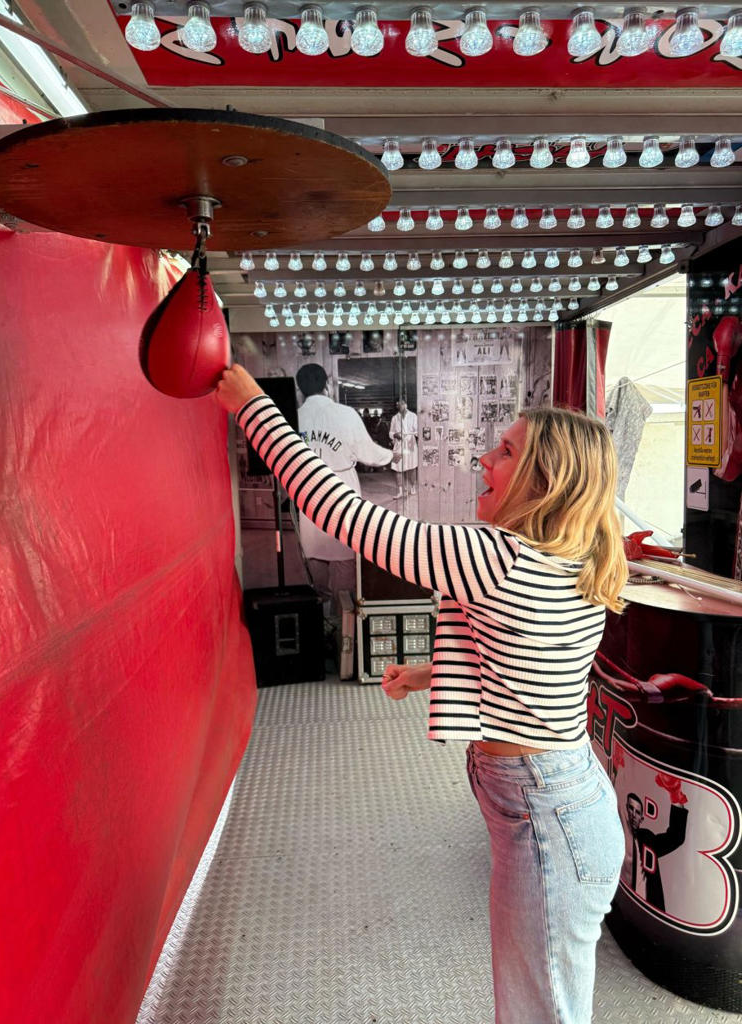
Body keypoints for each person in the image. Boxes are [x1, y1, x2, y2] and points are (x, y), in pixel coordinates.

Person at [216, 365, 629, 1024]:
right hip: (561, 796)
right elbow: (531, 666)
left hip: (547, 814)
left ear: (544, 482)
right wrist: (428, 672)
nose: (484, 458)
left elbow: (342, 513)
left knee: (538, 1014)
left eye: (506, 452)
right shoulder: (571, 556)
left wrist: (252, 406)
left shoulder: (498, 556)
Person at [294, 363, 392, 614]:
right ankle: (343, 629)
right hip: (341, 491)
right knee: (344, 557)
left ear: (299, 389)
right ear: (327, 385)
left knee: (314, 555)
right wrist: (392, 456)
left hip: (308, 492)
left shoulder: (295, 416)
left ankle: (321, 617)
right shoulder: (345, 414)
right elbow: (368, 454)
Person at [622, 775, 689, 912]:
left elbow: (676, 837)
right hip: (619, 905)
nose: (633, 814)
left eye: (637, 812)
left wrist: (675, 795)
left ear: (642, 819)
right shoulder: (617, 829)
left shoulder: (646, 838)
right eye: (630, 808)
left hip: (649, 910)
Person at [389, 398, 418, 499]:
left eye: (401, 404)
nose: (399, 406)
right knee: (397, 468)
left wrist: (411, 435)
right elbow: (390, 433)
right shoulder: (394, 418)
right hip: (399, 445)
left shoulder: (413, 416)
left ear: (405, 404)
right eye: (397, 405)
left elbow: (417, 431)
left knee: (412, 467)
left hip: (410, 445)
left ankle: (413, 486)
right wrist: (395, 435)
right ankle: (400, 491)